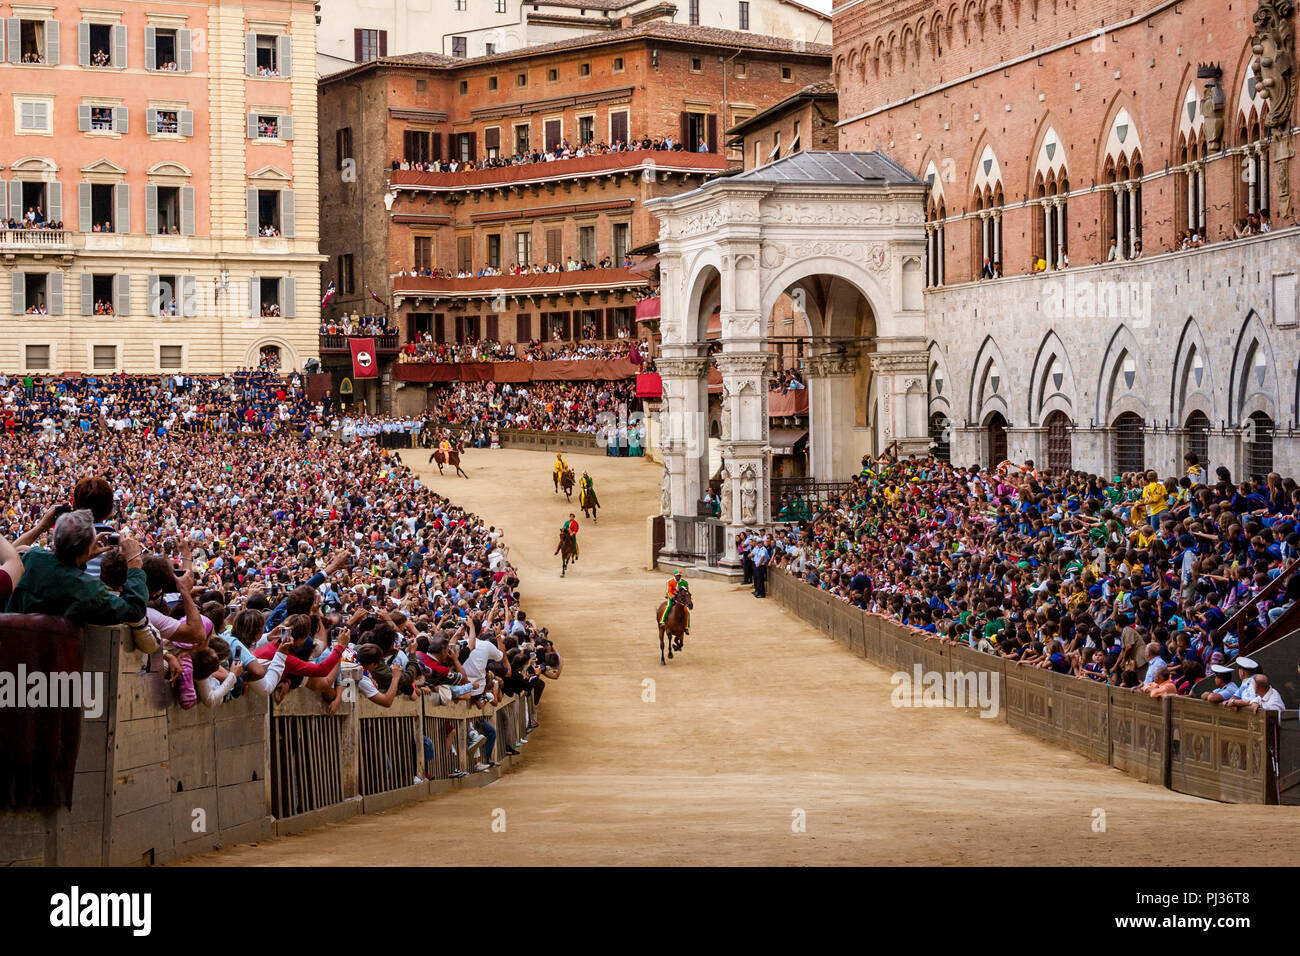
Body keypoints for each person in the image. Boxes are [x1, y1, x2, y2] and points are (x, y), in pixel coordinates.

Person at [6, 510, 148, 625]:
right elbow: (133, 611)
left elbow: (9, 556)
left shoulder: (32, 558)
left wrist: (42, 526)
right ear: (86, 548)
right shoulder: (88, 589)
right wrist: (134, 565)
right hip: (47, 657)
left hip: (10, 650)